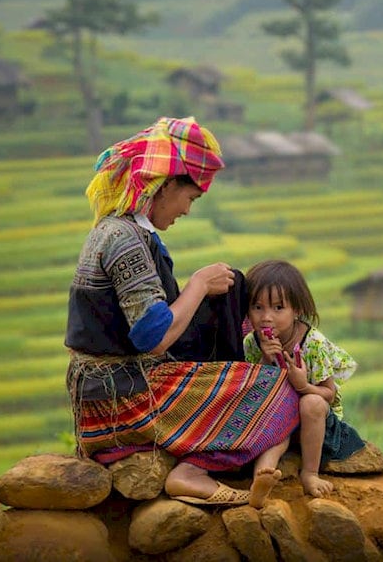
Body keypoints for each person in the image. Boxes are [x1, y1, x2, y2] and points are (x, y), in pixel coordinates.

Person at [64, 116, 299, 508]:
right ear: (166, 185)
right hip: (122, 398)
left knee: (231, 293)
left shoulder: (123, 231)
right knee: (280, 390)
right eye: (190, 198)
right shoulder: (124, 239)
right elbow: (154, 337)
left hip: (116, 387)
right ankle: (195, 472)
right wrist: (198, 285)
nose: (187, 210)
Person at [242, 259, 366, 498]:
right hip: (279, 419)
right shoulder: (252, 343)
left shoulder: (313, 343)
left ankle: (310, 473)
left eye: (278, 308)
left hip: (315, 420)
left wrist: (303, 386)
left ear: (297, 310)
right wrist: (266, 361)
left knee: (311, 402)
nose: (266, 317)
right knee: (278, 425)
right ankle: (261, 480)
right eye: (257, 307)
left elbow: (328, 394)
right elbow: (254, 391)